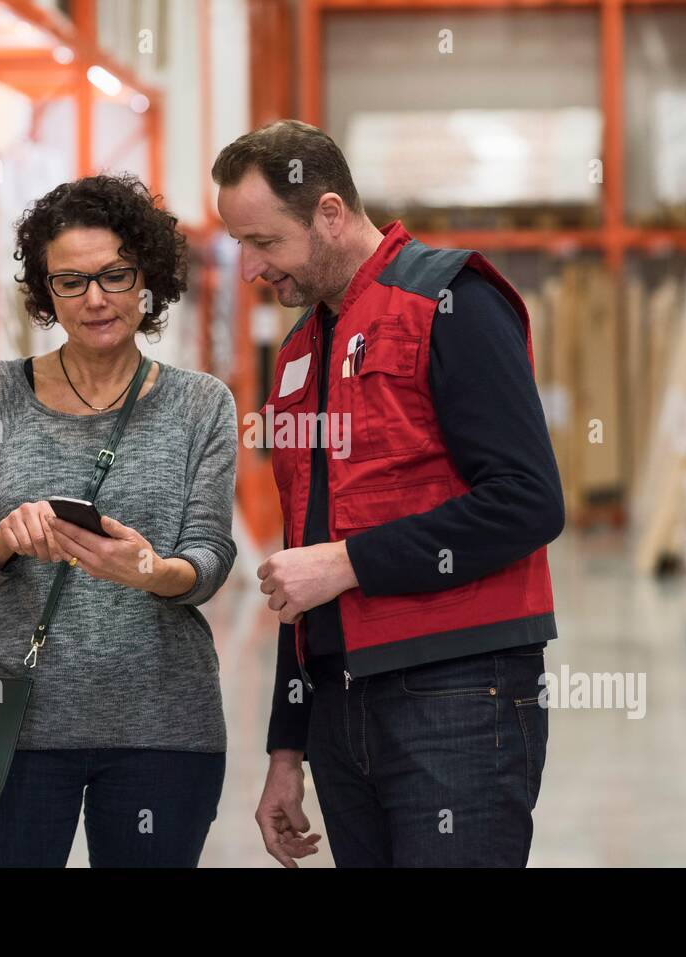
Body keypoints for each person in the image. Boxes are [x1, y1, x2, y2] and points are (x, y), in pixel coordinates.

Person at [213, 120, 564, 868]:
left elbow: (529, 500)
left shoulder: (450, 302)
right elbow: (302, 564)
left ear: (330, 214)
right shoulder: (303, 351)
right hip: (342, 708)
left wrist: (351, 563)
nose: (249, 268)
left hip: (460, 697)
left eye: (264, 242)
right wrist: (287, 744)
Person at [0, 173, 238, 867]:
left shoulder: (200, 405)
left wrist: (149, 570)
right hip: (7, 727)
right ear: (44, 291)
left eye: (115, 275)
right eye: (70, 281)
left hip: (159, 729)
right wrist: (1, 543)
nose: (95, 298)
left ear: (147, 277)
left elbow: (210, 558)